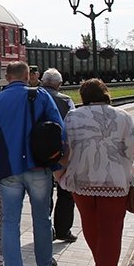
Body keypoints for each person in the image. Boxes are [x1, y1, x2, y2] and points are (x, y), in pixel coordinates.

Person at [58, 79, 134, 266]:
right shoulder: (123, 116)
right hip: (115, 181)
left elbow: (66, 148)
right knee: (111, 229)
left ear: (83, 97)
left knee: (90, 225)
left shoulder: (73, 116)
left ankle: (100, 262)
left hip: (81, 180)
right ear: (105, 93)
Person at [0, 61, 64, 266]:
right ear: (27, 76)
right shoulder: (42, 96)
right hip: (39, 169)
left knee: (9, 222)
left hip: (9, 172)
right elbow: (59, 130)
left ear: (6, 77)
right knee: (42, 218)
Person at [40, 67, 78, 243]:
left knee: (43, 193)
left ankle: (45, 230)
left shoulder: (32, 97)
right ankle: (63, 230)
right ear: (59, 85)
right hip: (61, 153)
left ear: (42, 81)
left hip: (37, 154)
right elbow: (72, 127)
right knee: (65, 192)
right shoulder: (66, 100)